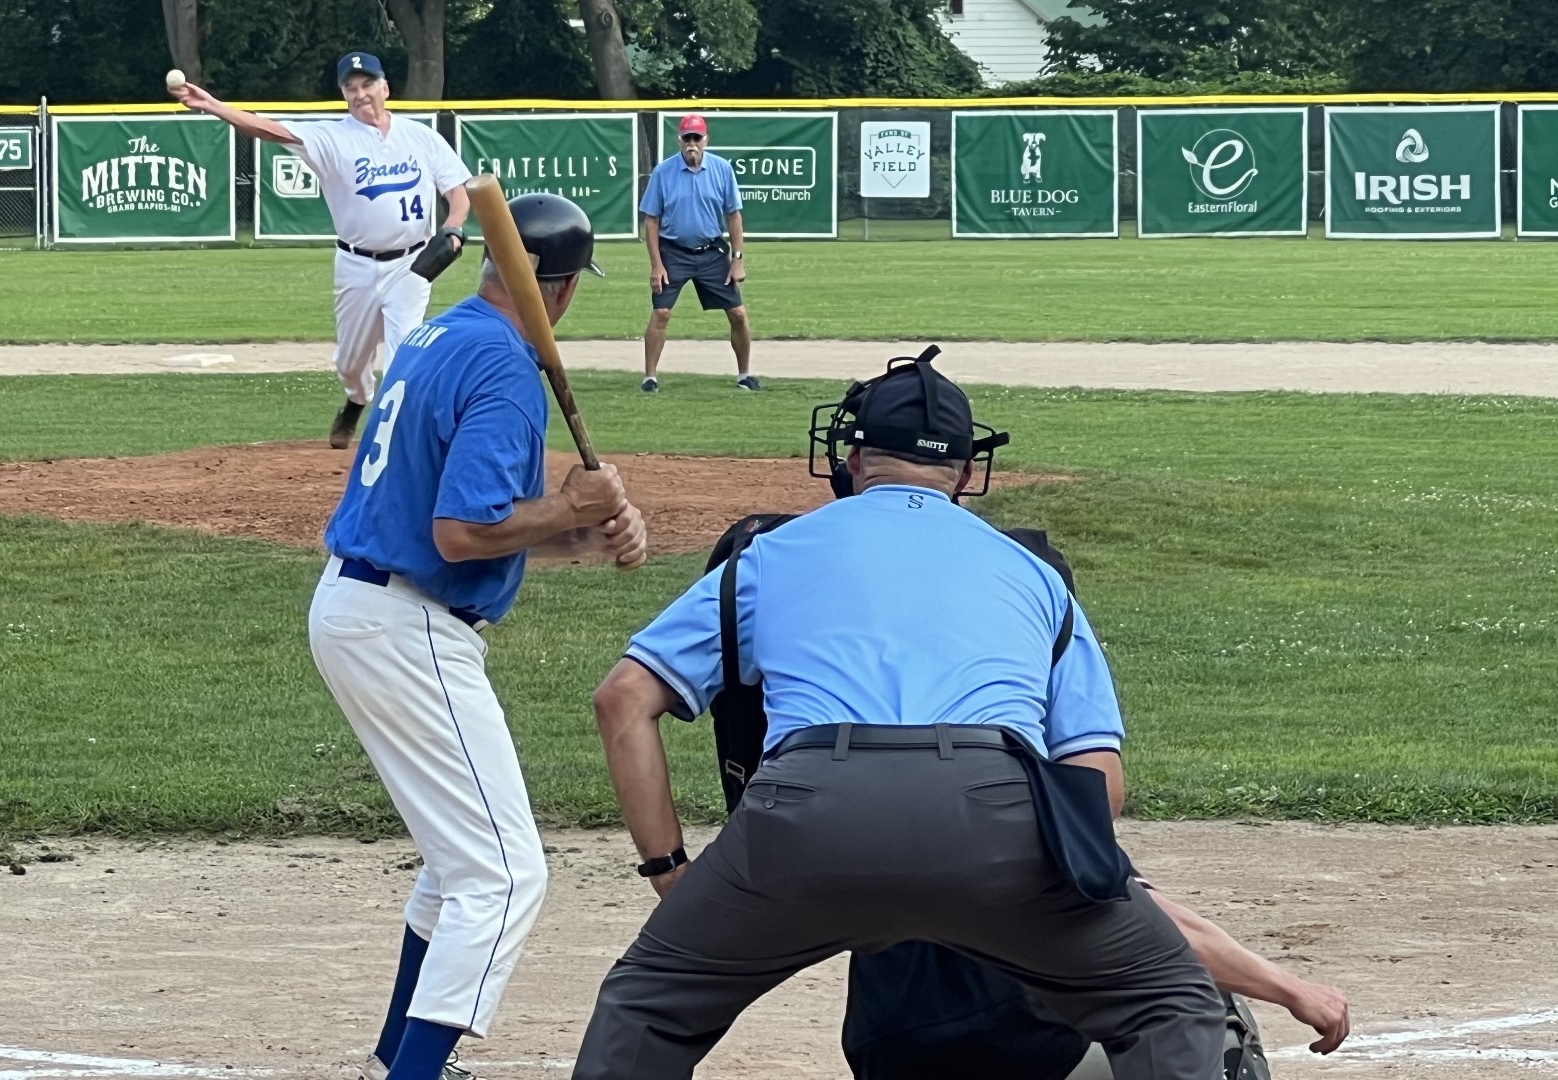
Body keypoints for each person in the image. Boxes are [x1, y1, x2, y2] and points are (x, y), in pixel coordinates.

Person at [571, 351, 1233, 1080]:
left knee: (645, 1008)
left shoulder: (771, 553)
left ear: (852, 458)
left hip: (805, 814)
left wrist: (672, 874)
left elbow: (624, 697)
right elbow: (1097, 781)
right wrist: (1035, 904)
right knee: (1173, 1000)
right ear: (965, 473)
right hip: (994, 811)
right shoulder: (1033, 573)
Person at [695, 388, 1349, 1080]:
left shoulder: (851, 791)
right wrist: (1294, 990)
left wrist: (673, 870)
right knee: (1206, 1017)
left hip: (890, 1049)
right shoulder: (1012, 813)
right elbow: (1166, 931)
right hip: (1032, 1051)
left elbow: (626, 694)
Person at [305, 193, 647, 1080]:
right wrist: (572, 504)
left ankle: (399, 1056)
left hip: (370, 606)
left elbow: (476, 523)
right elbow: (464, 532)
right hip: (404, 623)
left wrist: (587, 532)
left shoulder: (445, 334)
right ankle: (416, 1074)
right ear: (562, 289)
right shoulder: (503, 366)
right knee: (502, 877)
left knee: (461, 863)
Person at [171, 51, 473, 448]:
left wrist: (453, 225)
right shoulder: (332, 138)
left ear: (385, 87)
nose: (361, 93)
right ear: (344, 95)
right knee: (350, 363)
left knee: (406, 358)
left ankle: (398, 443)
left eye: (368, 84)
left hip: (413, 265)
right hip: (356, 266)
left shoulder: (421, 137)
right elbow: (268, 129)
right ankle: (356, 398)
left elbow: (458, 191)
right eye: (351, 88)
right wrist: (213, 106)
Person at [637, 113, 756, 393]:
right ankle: (650, 377)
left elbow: (733, 216)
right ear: (679, 140)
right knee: (662, 312)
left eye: (697, 138)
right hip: (673, 251)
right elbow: (651, 220)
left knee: (738, 313)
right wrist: (657, 264)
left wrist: (737, 260)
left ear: (706, 140)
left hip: (711, 252)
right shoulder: (663, 172)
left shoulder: (722, 169)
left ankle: (744, 375)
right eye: (687, 138)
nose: (692, 143)